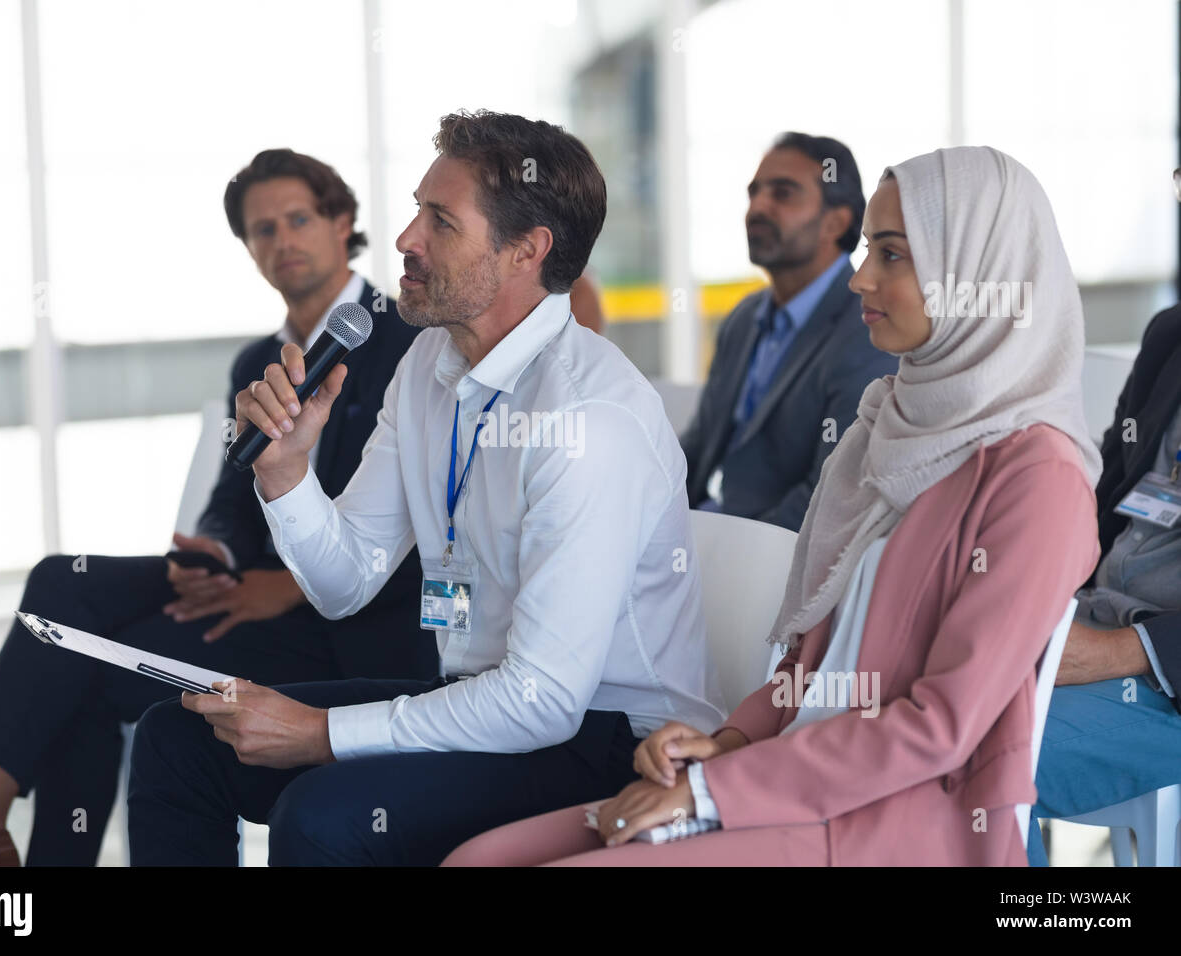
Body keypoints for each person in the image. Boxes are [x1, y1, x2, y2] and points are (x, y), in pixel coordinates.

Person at [444, 145, 1103, 867]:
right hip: (780, 778)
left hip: (892, 822)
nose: (860, 277)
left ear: (979, 274)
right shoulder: (885, 427)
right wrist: (723, 744)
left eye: (892, 255)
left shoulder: (1038, 479)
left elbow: (940, 728)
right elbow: (806, 661)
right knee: (480, 859)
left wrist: (712, 792)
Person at [124, 110, 724, 867]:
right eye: (416, 210)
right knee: (179, 736)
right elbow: (347, 583)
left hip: (605, 741)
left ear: (525, 252)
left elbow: (543, 702)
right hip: (472, 693)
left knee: (322, 814)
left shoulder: (584, 420)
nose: (405, 239)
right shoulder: (428, 367)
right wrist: (286, 476)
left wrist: (318, 735)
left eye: (440, 221)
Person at [0, 149, 433, 867]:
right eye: (262, 230)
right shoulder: (257, 361)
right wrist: (217, 553)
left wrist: (286, 585)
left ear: (343, 222)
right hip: (248, 587)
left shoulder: (407, 342)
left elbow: (423, 520)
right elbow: (231, 504)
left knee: (76, 673)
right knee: (61, 583)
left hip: (341, 617)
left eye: (298, 220)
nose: (282, 242)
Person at [1025, 166, 1181, 865]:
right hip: (1091, 623)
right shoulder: (1170, 334)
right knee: (903, 717)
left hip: (1159, 678)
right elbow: (1108, 492)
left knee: (971, 761)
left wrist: (1124, 654)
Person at [681, 132, 897, 530]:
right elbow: (696, 449)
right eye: (754, 193)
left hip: (768, 558)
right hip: (700, 539)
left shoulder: (869, 327)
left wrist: (724, 547)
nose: (757, 207)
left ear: (836, 221)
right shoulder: (743, 319)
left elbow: (827, 492)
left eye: (783, 194)